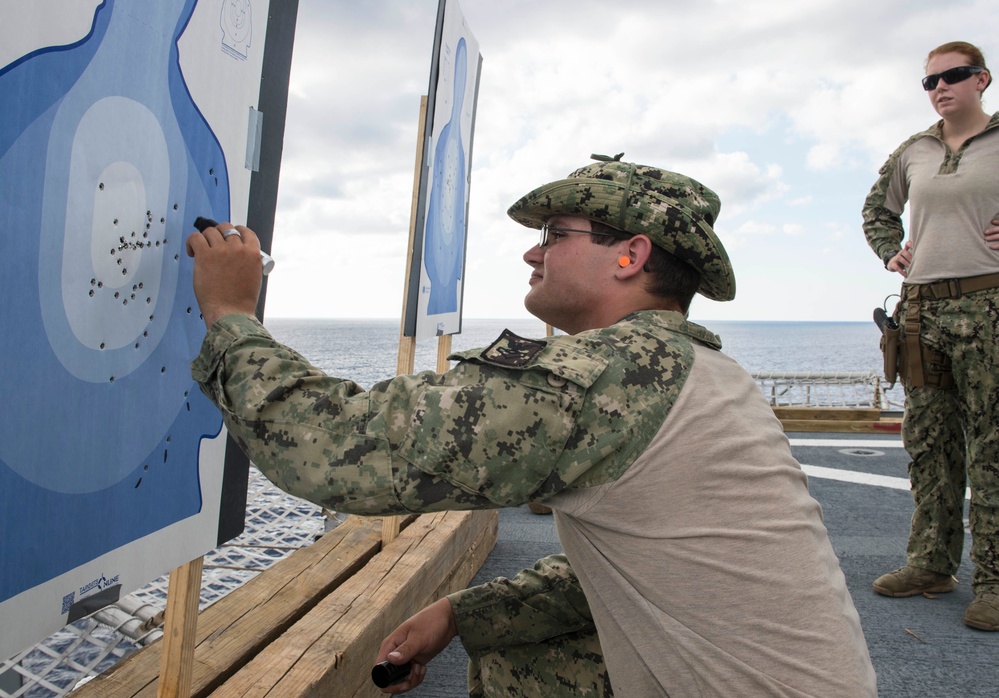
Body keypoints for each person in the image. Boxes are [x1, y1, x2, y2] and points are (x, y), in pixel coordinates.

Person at [188, 154, 877, 696]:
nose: (531, 252)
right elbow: (645, 570)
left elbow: (336, 448)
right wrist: (462, 614)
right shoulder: (695, 366)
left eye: (554, 235)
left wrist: (230, 313)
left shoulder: (607, 373)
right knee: (536, 651)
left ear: (629, 256)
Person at [862, 41, 999, 632]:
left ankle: (994, 581)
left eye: (953, 76)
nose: (940, 88)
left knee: (993, 446)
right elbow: (876, 209)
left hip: (990, 303)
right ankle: (931, 564)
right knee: (930, 442)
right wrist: (891, 251)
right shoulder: (914, 150)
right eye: (930, 81)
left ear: (982, 79)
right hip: (922, 311)